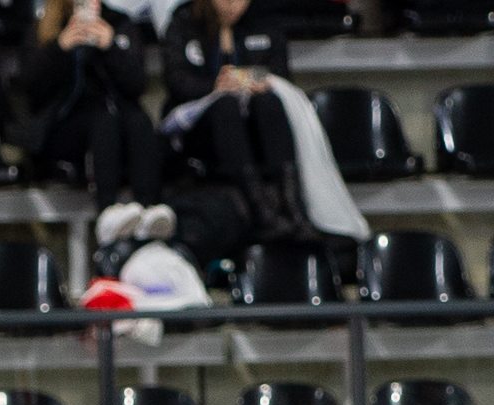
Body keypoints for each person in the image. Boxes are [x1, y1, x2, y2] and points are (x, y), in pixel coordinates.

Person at [20, 0, 174, 246]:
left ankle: (149, 208)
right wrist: (60, 48)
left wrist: (110, 46)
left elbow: (137, 85)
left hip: (116, 126)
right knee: (104, 120)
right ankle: (107, 211)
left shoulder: (119, 23)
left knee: (139, 120)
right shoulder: (45, 25)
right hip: (63, 129)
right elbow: (31, 88)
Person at [161, 0, 305, 239]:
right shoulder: (183, 22)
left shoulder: (265, 21)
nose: (231, 4)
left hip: (253, 126)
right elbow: (177, 80)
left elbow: (280, 74)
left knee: (269, 101)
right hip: (201, 131)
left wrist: (248, 77)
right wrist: (214, 85)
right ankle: (259, 208)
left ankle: (291, 206)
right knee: (225, 104)